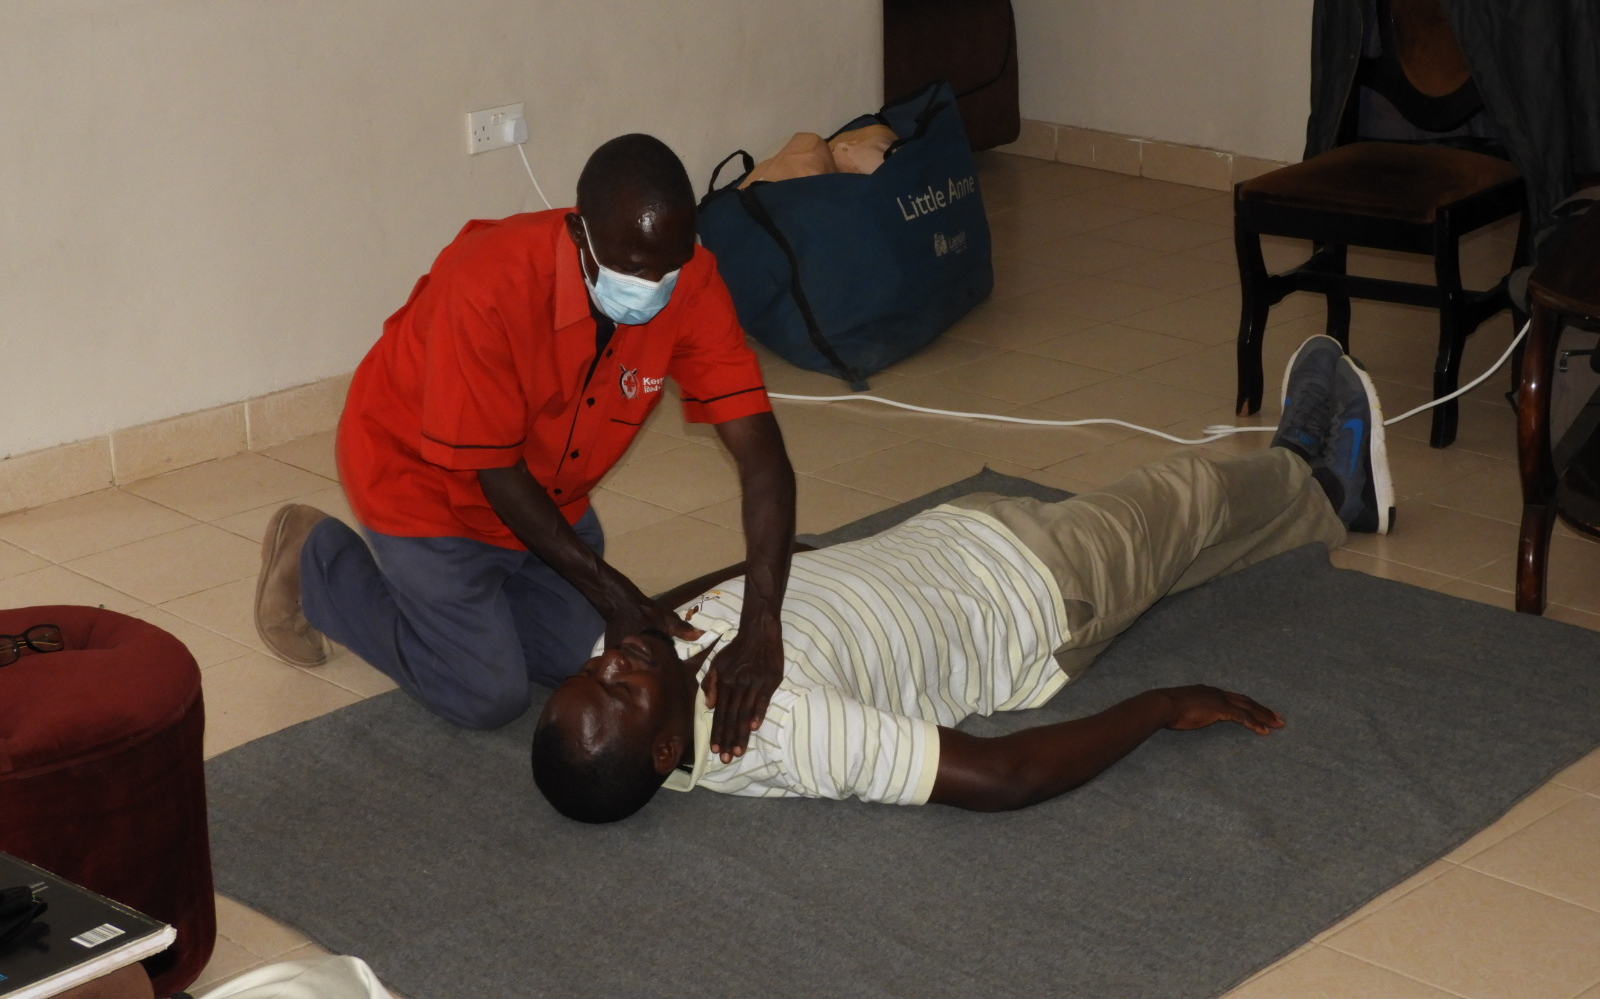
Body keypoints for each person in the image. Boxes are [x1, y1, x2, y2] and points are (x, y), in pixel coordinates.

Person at [532, 335, 1395, 822]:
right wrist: (1166, 706)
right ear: (667, 750)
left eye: (592, 671)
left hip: (955, 542)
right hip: (1031, 593)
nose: (612, 663)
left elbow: (767, 569)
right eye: (617, 691)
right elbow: (1002, 777)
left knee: (1186, 552)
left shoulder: (654, 653)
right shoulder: (775, 730)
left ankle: (1308, 513)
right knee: (1187, 496)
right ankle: (1320, 476)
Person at [252, 134, 797, 748]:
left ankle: (484, 608)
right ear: (579, 232)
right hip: (423, 491)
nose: (655, 284)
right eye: (634, 267)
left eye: (669, 264)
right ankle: (317, 561)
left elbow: (762, 455)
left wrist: (763, 624)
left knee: (598, 658)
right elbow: (496, 472)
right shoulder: (486, 284)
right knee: (487, 693)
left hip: (546, 498)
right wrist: (611, 589)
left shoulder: (690, 280)